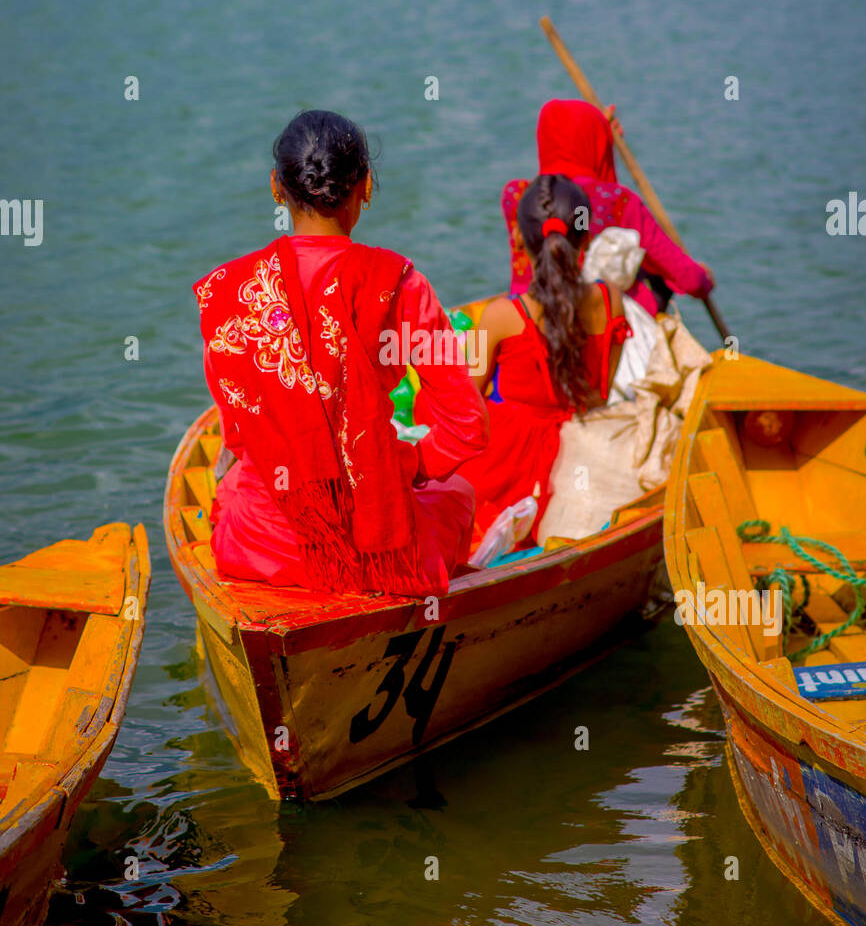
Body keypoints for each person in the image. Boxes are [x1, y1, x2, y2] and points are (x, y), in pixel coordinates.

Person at [195, 109, 488, 597]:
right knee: (457, 496)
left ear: (276, 186)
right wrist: (408, 466)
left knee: (230, 491)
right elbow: (466, 429)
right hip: (374, 546)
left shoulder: (229, 291)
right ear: (366, 186)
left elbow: (239, 436)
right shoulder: (401, 285)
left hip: (264, 542)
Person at [461, 173, 631, 543]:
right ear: (585, 237)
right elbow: (601, 392)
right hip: (586, 443)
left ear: (519, 239)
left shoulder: (500, 315)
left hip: (513, 464)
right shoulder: (611, 299)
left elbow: (466, 402)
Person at [502, 99, 715, 315]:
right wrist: (703, 279)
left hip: (528, 313)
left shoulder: (517, 196)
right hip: (601, 318)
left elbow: (554, 203)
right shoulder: (616, 200)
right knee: (652, 270)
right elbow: (690, 280)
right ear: (596, 143)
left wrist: (599, 126)